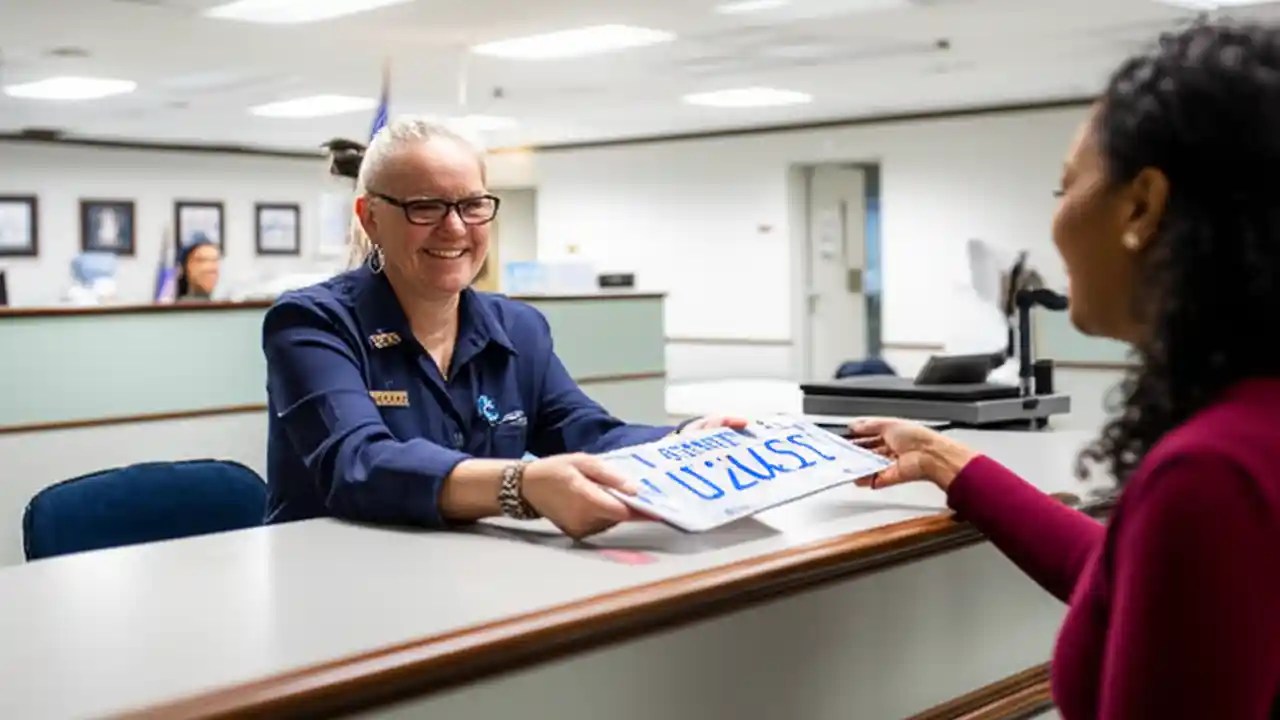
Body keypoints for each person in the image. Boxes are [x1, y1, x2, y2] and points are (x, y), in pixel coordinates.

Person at [850, 22, 1280, 719]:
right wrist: (941, 456)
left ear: (1142, 205)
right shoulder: (1252, 438)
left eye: (1064, 188)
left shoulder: (1211, 475)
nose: (1054, 224)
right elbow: (1142, 593)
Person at [264, 119, 745, 539]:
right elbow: (357, 465)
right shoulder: (313, 323)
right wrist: (520, 485)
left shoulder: (517, 328)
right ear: (370, 217)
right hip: (330, 577)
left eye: (472, 205)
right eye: (425, 207)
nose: (454, 228)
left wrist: (684, 442)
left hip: (466, 572)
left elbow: (589, 434)